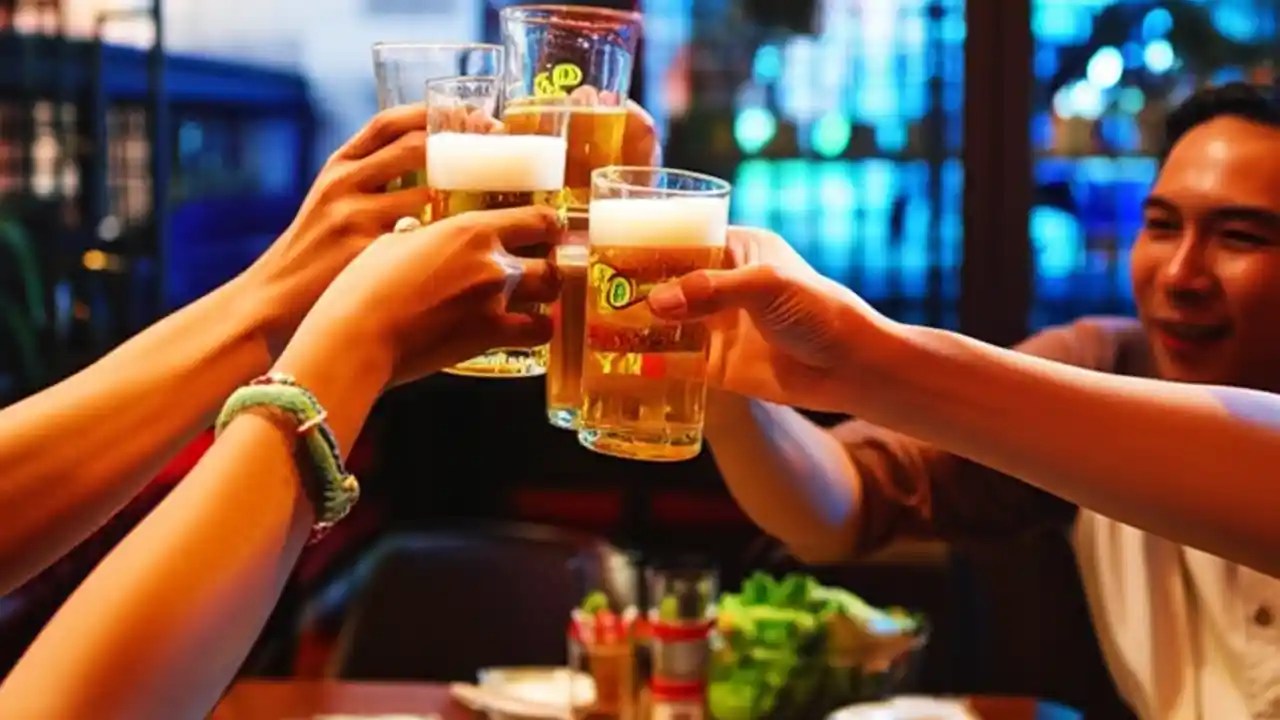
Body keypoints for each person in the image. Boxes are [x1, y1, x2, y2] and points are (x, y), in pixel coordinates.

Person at [646, 82, 1280, 720]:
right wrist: (727, 383)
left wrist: (863, 358)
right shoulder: (1108, 364)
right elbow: (835, 510)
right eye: (1162, 226)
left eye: (1241, 237)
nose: (1180, 275)